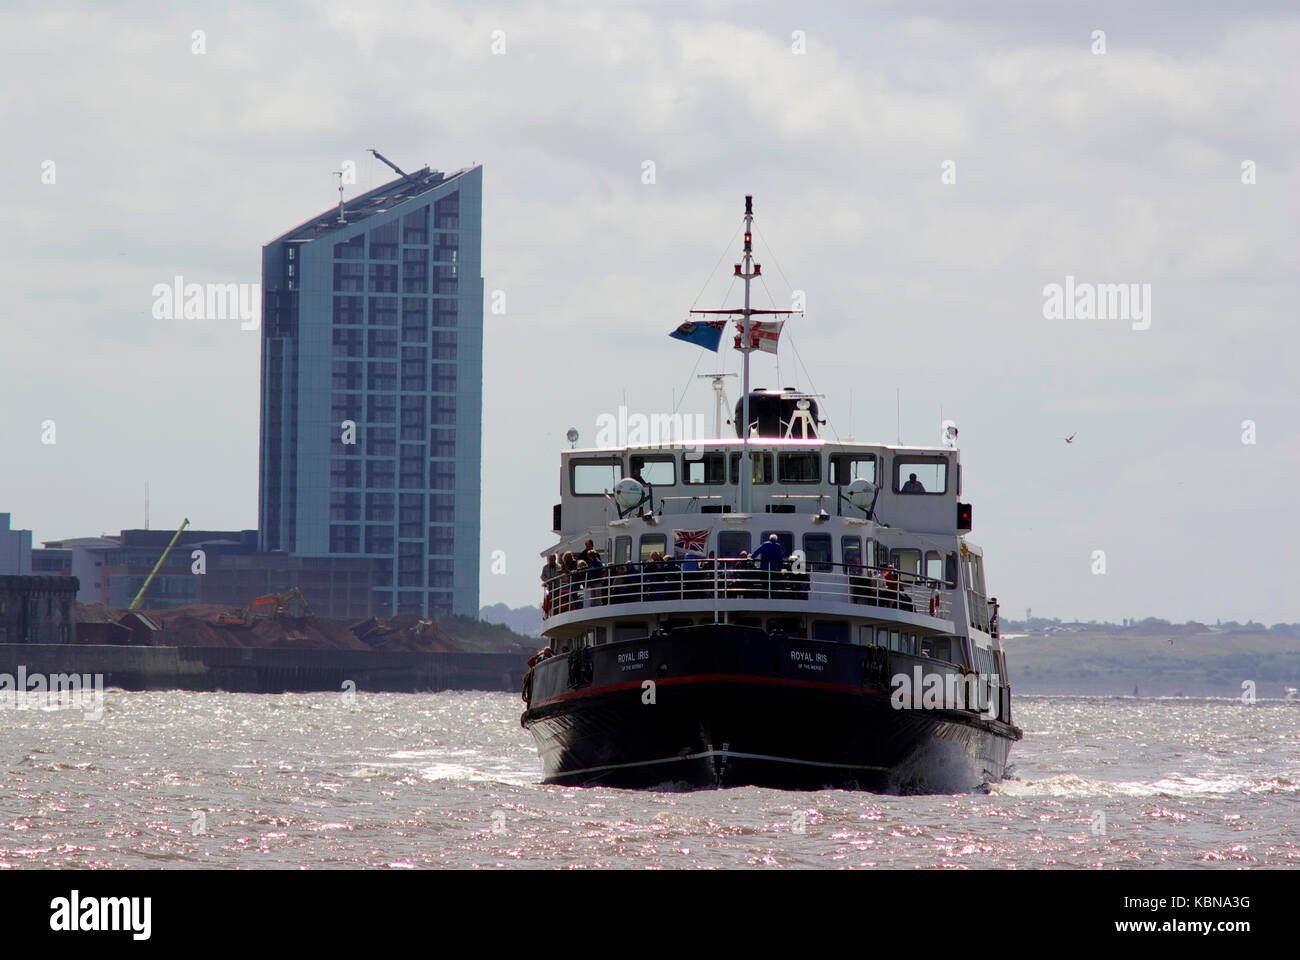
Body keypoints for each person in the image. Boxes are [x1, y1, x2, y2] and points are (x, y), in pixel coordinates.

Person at [751, 533, 786, 599]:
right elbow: (781, 555)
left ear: (769, 538)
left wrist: (752, 557)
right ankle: (772, 596)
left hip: (764, 567)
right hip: (773, 568)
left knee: (765, 583)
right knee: (772, 582)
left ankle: (765, 595)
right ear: (776, 539)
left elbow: (757, 551)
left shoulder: (765, 544)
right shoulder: (777, 546)